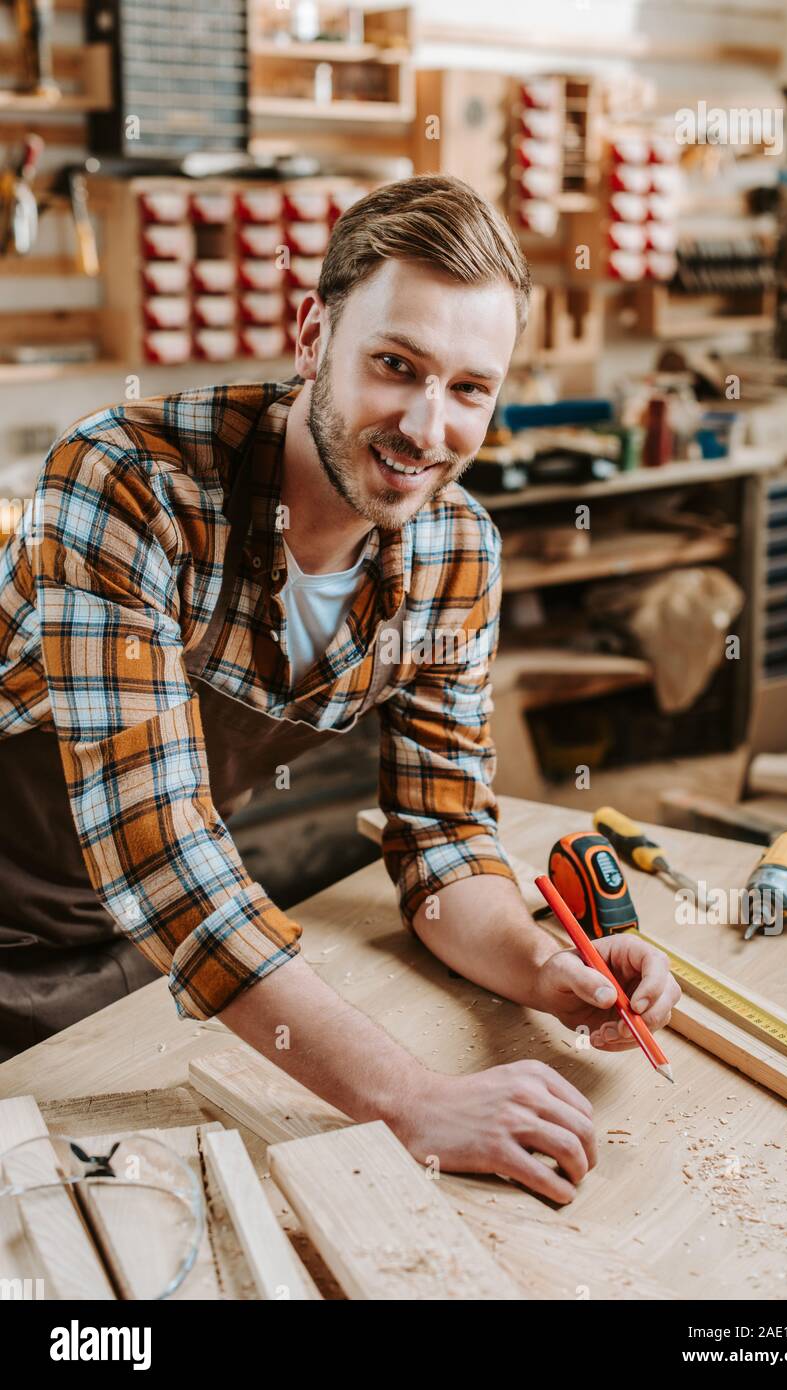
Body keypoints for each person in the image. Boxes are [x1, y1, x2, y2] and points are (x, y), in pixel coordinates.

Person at [0, 175, 680, 1201]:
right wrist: (409, 1097)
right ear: (314, 333)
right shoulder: (127, 484)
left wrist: (544, 966)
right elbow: (164, 850)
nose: (424, 425)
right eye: (395, 365)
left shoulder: (455, 554)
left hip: (133, 948)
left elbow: (443, 838)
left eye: (468, 389)